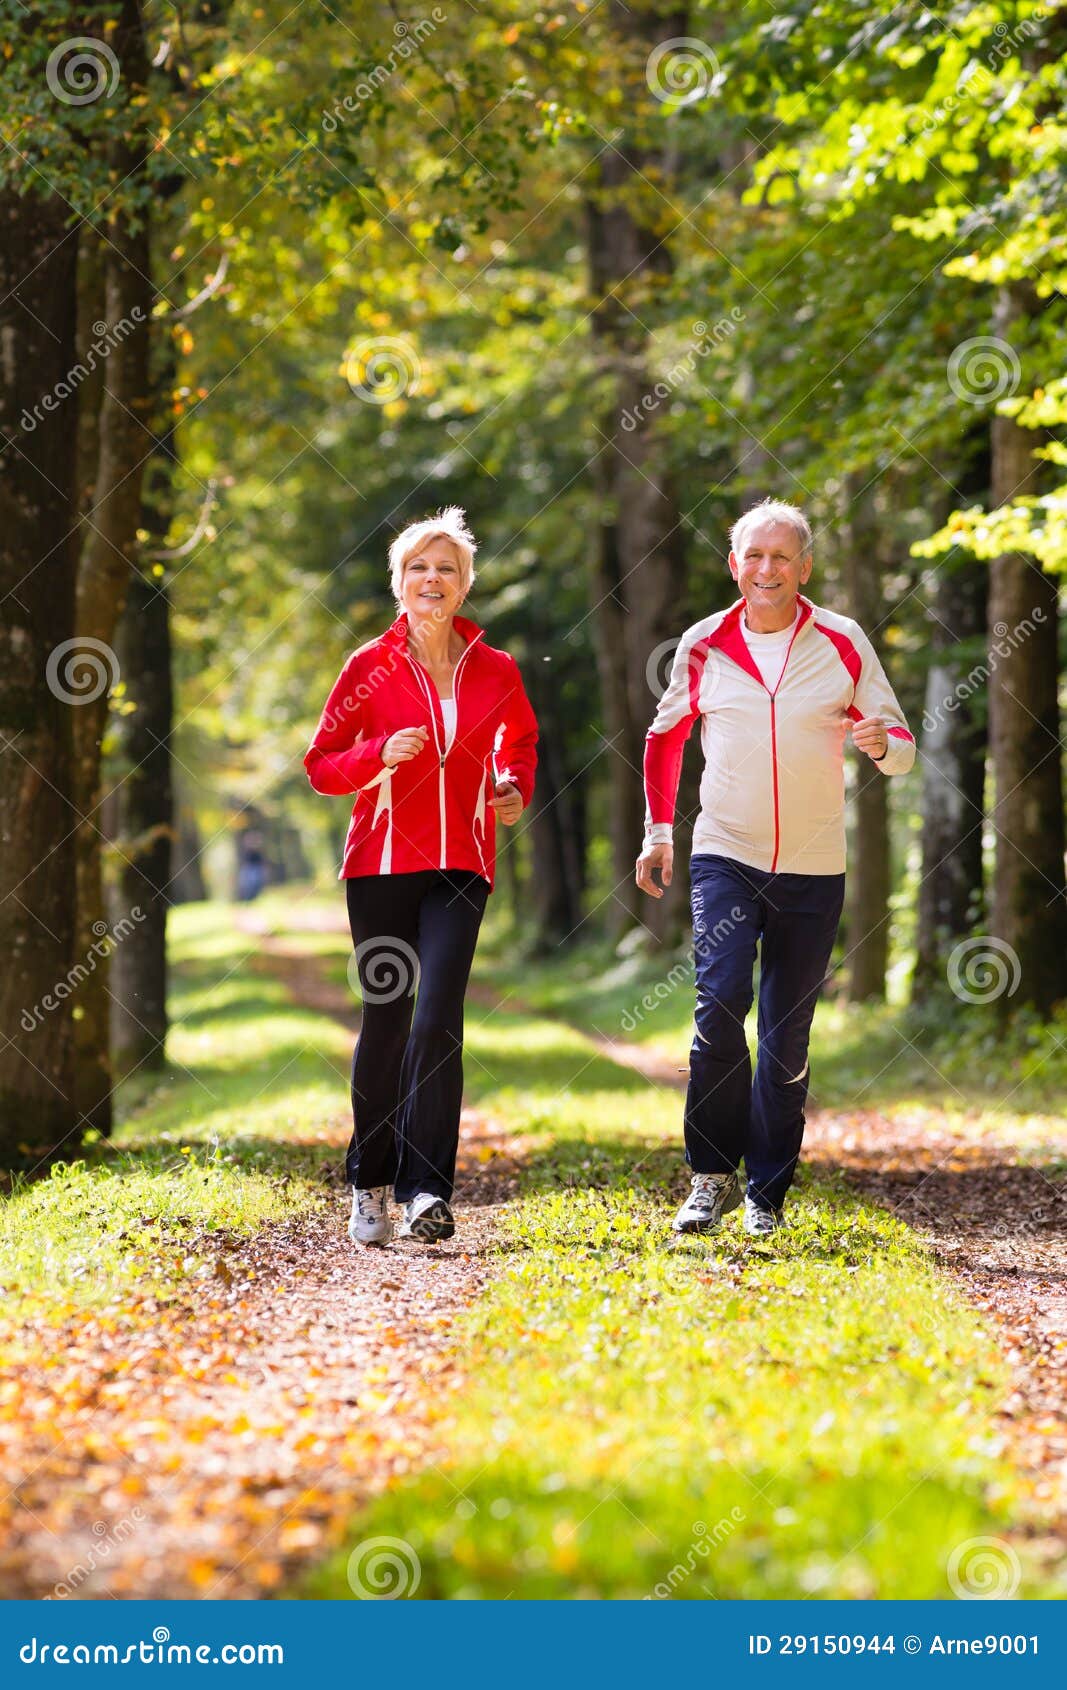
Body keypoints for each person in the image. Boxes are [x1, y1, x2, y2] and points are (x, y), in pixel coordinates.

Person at [636, 498, 915, 1238]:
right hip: (724, 853)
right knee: (719, 1004)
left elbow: (901, 746)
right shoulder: (703, 644)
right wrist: (657, 833)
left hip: (813, 866)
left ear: (805, 567)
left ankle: (766, 1193)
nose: (766, 569)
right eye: (753, 556)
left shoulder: (842, 641)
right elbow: (664, 739)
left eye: (781, 556)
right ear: (734, 565)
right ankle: (708, 1177)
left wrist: (878, 742)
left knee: (786, 1037)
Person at [304, 507, 538, 1247]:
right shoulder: (367, 667)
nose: (431, 580)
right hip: (380, 864)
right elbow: (320, 764)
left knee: (438, 1017)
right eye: (417, 569)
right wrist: (376, 754)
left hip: (462, 864)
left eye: (445, 569)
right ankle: (368, 1181)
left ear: (464, 585)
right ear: (398, 583)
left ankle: (426, 1188)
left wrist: (510, 786)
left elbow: (520, 743)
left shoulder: (495, 669)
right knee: (387, 1018)